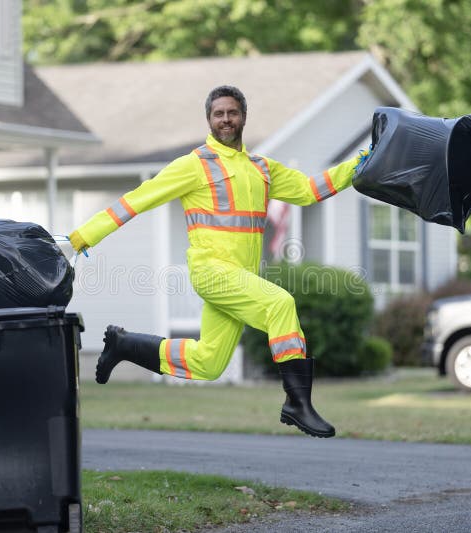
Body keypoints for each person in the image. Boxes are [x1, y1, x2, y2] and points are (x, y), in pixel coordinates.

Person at [69, 85, 365, 438]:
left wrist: (360, 163)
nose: (226, 119)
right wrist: (83, 236)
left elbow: (310, 190)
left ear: (243, 117)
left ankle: (125, 345)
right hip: (210, 271)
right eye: (218, 114)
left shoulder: (262, 169)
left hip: (239, 276)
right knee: (279, 303)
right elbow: (138, 199)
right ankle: (297, 403)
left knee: (209, 363)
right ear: (209, 120)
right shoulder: (193, 165)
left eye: (232, 113)